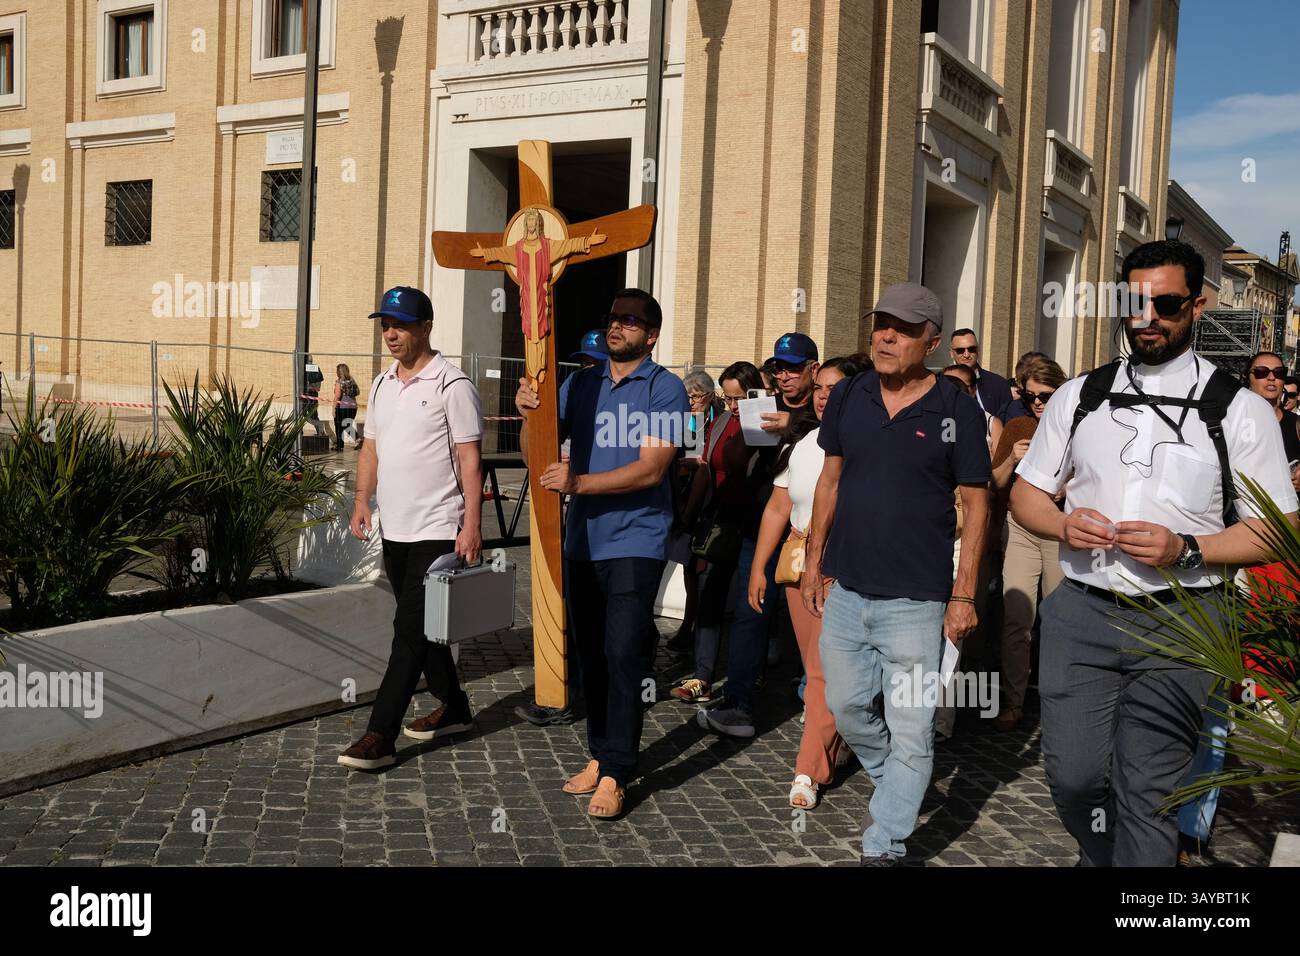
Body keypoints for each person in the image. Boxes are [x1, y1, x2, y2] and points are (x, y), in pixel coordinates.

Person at [1011, 239, 1299, 866]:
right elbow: (1026, 496)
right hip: (1082, 613)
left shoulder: (1243, 411)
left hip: (1185, 624)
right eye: (1134, 301)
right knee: (1074, 778)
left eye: (1165, 303)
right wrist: (1063, 524)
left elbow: (1276, 531)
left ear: (1197, 306)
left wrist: (1187, 548)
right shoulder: (1078, 396)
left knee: (1150, 791)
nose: (1147, 316)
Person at [804, 283, 991, 864]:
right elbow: (829, 480)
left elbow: (979, 503)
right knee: (852, 707)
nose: (886, 335)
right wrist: (814, 563)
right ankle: (898, 782)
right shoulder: (851, 393)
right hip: (847, 590)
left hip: (918, 601)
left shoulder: (956, 409)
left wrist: (964, 595)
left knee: (912, 728)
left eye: (903, 329)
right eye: (881, 323)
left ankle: (885, 842)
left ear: (932, 343)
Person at [515, 288, 689, 820]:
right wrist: (528, 416)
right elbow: (538, 456)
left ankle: (617, 769)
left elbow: (654, 468)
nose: (618, 326)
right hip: (582, 539)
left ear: (651, 334)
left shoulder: (667, 389)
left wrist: (581, 483)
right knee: (589, 654)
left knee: (623, 653)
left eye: (632, 321)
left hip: (636, 539)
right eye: (614, 317)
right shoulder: (581, 383)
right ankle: (599, 752)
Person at [339, 286, 483, 771]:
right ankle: (456, 707)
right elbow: (371, 449)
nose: (391, 334)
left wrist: (472, 526)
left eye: (399, 325)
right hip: (395, 529)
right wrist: (362, 500)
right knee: (425, 629)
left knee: (408, 630)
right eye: (385, 324)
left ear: (425, 327)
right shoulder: (380, 384)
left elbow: (470, 459)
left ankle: (380, 735)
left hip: (438, 528)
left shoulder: (452, 384)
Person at [748, 356, 863, 809]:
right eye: (822, 386)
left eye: (836, 388)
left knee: (824, 672)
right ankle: (840, 743)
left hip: (846, 565)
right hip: (797, 565)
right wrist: (758, 567)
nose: (823, 394)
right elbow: (778, 508)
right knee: (819, 670)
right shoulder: (804, 442)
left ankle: (808, 769)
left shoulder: (868, 446)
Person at [672, 362, 765, 703]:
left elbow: (754, 465)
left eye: (740, 398)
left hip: (755, 522)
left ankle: (750, 677)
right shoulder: (723, 421)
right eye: (728, 399)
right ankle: (703, 675)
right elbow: (705, 471)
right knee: (708, 595)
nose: (733, 406)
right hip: (720, 519)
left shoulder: (764, 422)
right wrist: (688, 514)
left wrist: (757, 417)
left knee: (750, 604)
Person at [989, 355, 1067, 731]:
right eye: (1030, 394)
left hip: (1058, 531)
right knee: (1016, 619)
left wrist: (1064, 486)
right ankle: (1012, 700)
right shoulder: (1018, 425)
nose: (1038, 402)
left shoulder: (1077, 427)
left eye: (1046, 395)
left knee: (1056, 621)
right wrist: (1012, 460)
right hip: (1018, 529)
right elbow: (995, 483)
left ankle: (1057, 702)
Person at [1243, 351, 1300, 490]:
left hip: (1286, 509)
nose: (1271, 377)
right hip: (1241, 508)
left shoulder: (1296, 423)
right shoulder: (1231, 420)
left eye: (1279, 372)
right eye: (1261, 372)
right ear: (1247, 378)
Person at [761, 333, 820, 436]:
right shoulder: (766, 407)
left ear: (814, 369)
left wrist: (790, 430)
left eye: (793, 369)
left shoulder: (823, 409)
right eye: (778, 369)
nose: (783, 378)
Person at [950, 327, 1012, 418]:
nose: (966, 355)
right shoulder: (941, 384)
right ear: (951, 353)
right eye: (960, 350)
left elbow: (1007, 422)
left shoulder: (999, 385)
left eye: (971, 349)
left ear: (978, 350)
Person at [332, 363, 359, 450]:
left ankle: (339, 446)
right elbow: (357, 392)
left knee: (339, 425)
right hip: (353, 407)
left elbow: (337, 396)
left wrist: (333, 409)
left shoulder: (339, 382)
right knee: (347, 425)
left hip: (342, 407)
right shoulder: (352, 381)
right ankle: (358, 439)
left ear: (339, 372)